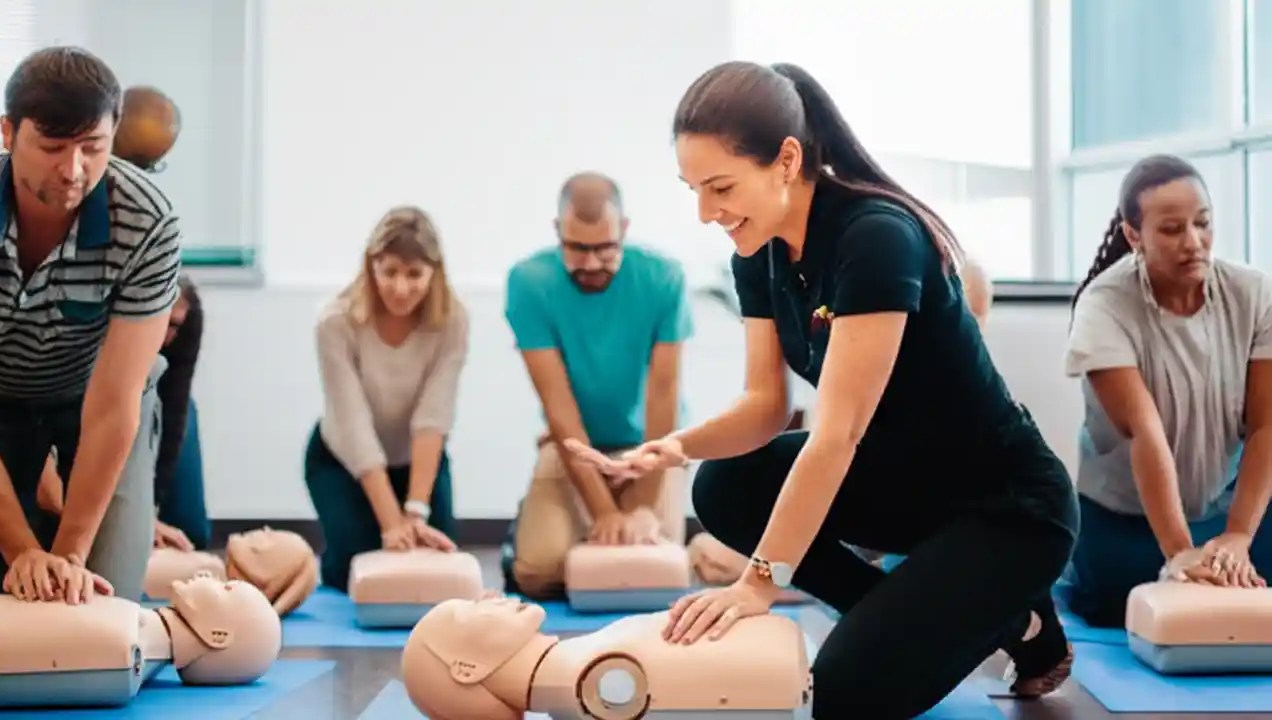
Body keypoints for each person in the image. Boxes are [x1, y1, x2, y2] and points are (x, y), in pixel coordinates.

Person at [566, 61, 1078, 718]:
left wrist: (758, 584)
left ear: (786, 160)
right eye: (692, 189)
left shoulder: (875, 238)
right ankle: (991, 623)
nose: (705, 213)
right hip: (911, 488)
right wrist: (669, 448)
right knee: (723, 486)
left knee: (842, 697)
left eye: (719, 187)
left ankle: (984, 609)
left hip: (1009, 509)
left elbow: (837, 435)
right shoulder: (757, 251)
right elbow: (764, 408)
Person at [0, 47, 182, 603]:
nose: (73, 171)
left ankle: (63, 520)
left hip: (91, 404)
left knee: (100, 601)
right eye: (52, 148)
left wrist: (71, 555)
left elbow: (114, 400)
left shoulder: (149, 221)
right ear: (8, 132)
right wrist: (20, 548)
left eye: (92, 148)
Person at [1062, 154, 1272, 628]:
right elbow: (1144, 430)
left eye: (1203, 224)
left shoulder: (1255, 293)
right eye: (1172, 229)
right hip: (1126, 513)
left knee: (1249, 604)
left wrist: (1238, 536)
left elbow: (1266, 424)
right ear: (1134, 235)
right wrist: (1179, 553)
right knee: (1115, 610)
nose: (1193, 242)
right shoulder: (1104, 305)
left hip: (1228, 500)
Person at [502, 172, 694, 600]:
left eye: (604, 248)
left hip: (648, 448)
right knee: (537, 571)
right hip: (570, 445)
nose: (590, 263)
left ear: (624, 231)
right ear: (558, 233)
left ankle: (598, 533)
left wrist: (641, 506)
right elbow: (558, 405)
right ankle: (544, 528)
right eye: (577, 249)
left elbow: (663, 393)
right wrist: (605, 512)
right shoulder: (528, 283)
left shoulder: (665, 278)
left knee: (654, 569)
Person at [37, 85, 208, 552]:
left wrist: (145, 511)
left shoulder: (153, 236)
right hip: (60, 395)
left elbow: (162, 404)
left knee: (193, 530)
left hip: (132, 396)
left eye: (154, 166)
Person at [304, 205, 467, 592]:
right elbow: (353, 424)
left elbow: (434, 415)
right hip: (343, 461)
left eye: (414, 274)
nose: (400, 287)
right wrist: (391, 524)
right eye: (389, 271)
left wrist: (415, 512)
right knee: (359, 567)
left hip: (416, 461)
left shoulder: (453, 322)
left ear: (434, 273)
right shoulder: (335, 322)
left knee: (434, 564)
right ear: (371, 265)